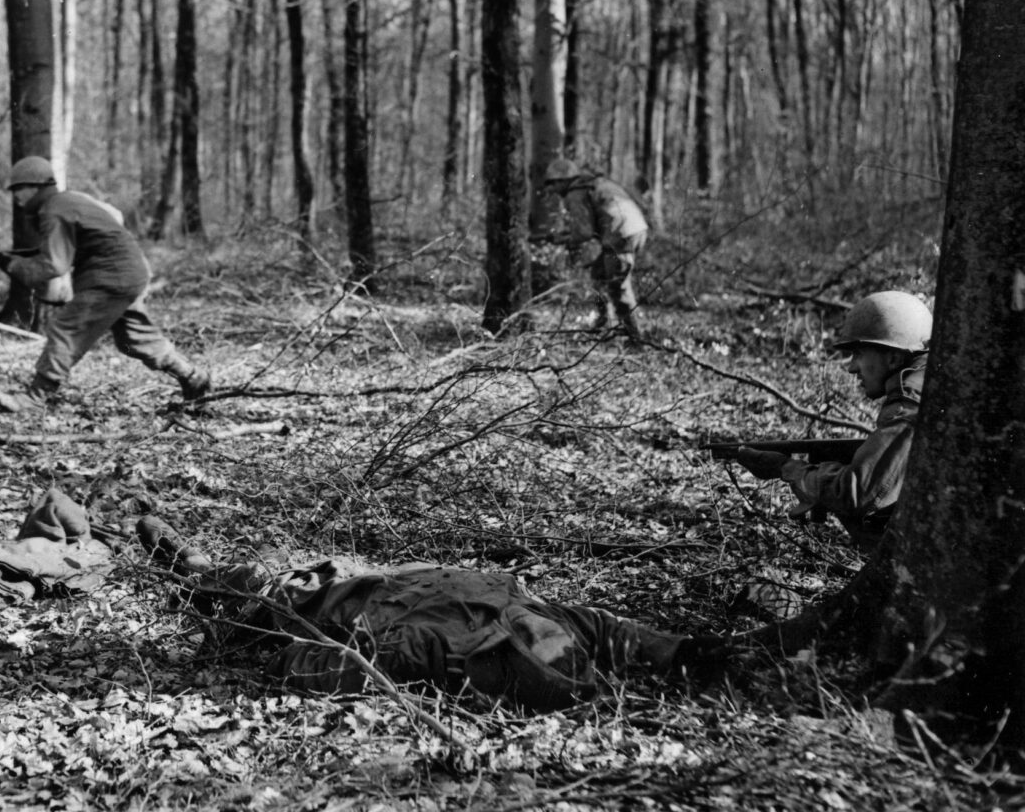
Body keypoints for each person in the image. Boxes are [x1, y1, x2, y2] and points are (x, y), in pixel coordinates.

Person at [137, 517, 726, 713]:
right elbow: (608, 629)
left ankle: (191, 570)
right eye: (549, 630)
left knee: (252, 579)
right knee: (272, 564)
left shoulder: (437, 656)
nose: (544, 624)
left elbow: (322, 666)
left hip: (316, 601)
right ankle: (203, 575)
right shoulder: (554, 629)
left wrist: (278, 656)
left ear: (512, 656)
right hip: (385, 574)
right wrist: (685, 653)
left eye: (536, 636)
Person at [0, 156, 211, 413]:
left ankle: (34, 398)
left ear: (36, 186)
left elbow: (54, 266)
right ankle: (193, 376)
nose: (16, 196)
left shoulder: (53, 209)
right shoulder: (70, 199)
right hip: (132, 271)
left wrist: (15, 265)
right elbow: (113, 216)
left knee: (65, 328)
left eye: (19, 189)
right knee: (134, 338)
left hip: (111, 277)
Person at [730, 291, 931, 554]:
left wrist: (788, 468)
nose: (852, 367)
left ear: (893, 357)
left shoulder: (908, 406)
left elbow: (857, 494)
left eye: (858, 354)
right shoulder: (926, 384)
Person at [542, 158, 651, 338]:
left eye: (552, 184)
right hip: (636, 229)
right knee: (598, 274)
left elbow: (583, 233)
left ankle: (635, 338)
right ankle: (604, 322)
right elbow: (591, 225)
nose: (552, 190)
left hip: (620, 235)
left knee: (618, 286)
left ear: (562, 181)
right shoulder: (593, 183)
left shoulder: (575, 194)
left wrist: (562, 239)